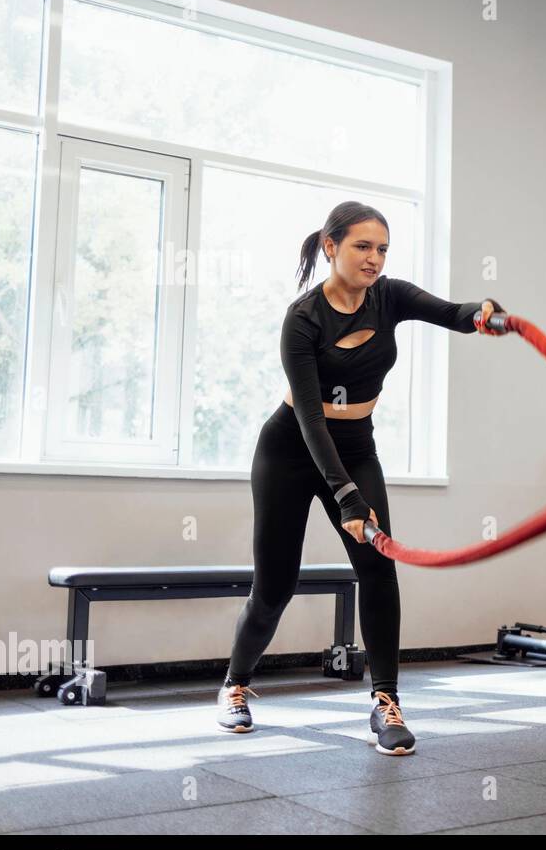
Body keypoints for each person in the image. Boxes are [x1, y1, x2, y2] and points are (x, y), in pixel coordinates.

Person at [216, 201, 506, 754]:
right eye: (362, 247)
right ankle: (234, 685)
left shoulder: (389, 296)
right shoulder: (302, 319)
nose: (374, 259)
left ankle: (386, 701)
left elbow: (451, 312)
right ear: (331, 246)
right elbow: (307, 415)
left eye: (382, 249)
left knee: (378, 569)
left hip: (356, 444)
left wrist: (482, 313)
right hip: (290, 449)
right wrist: (345, 495)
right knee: (274, 586)